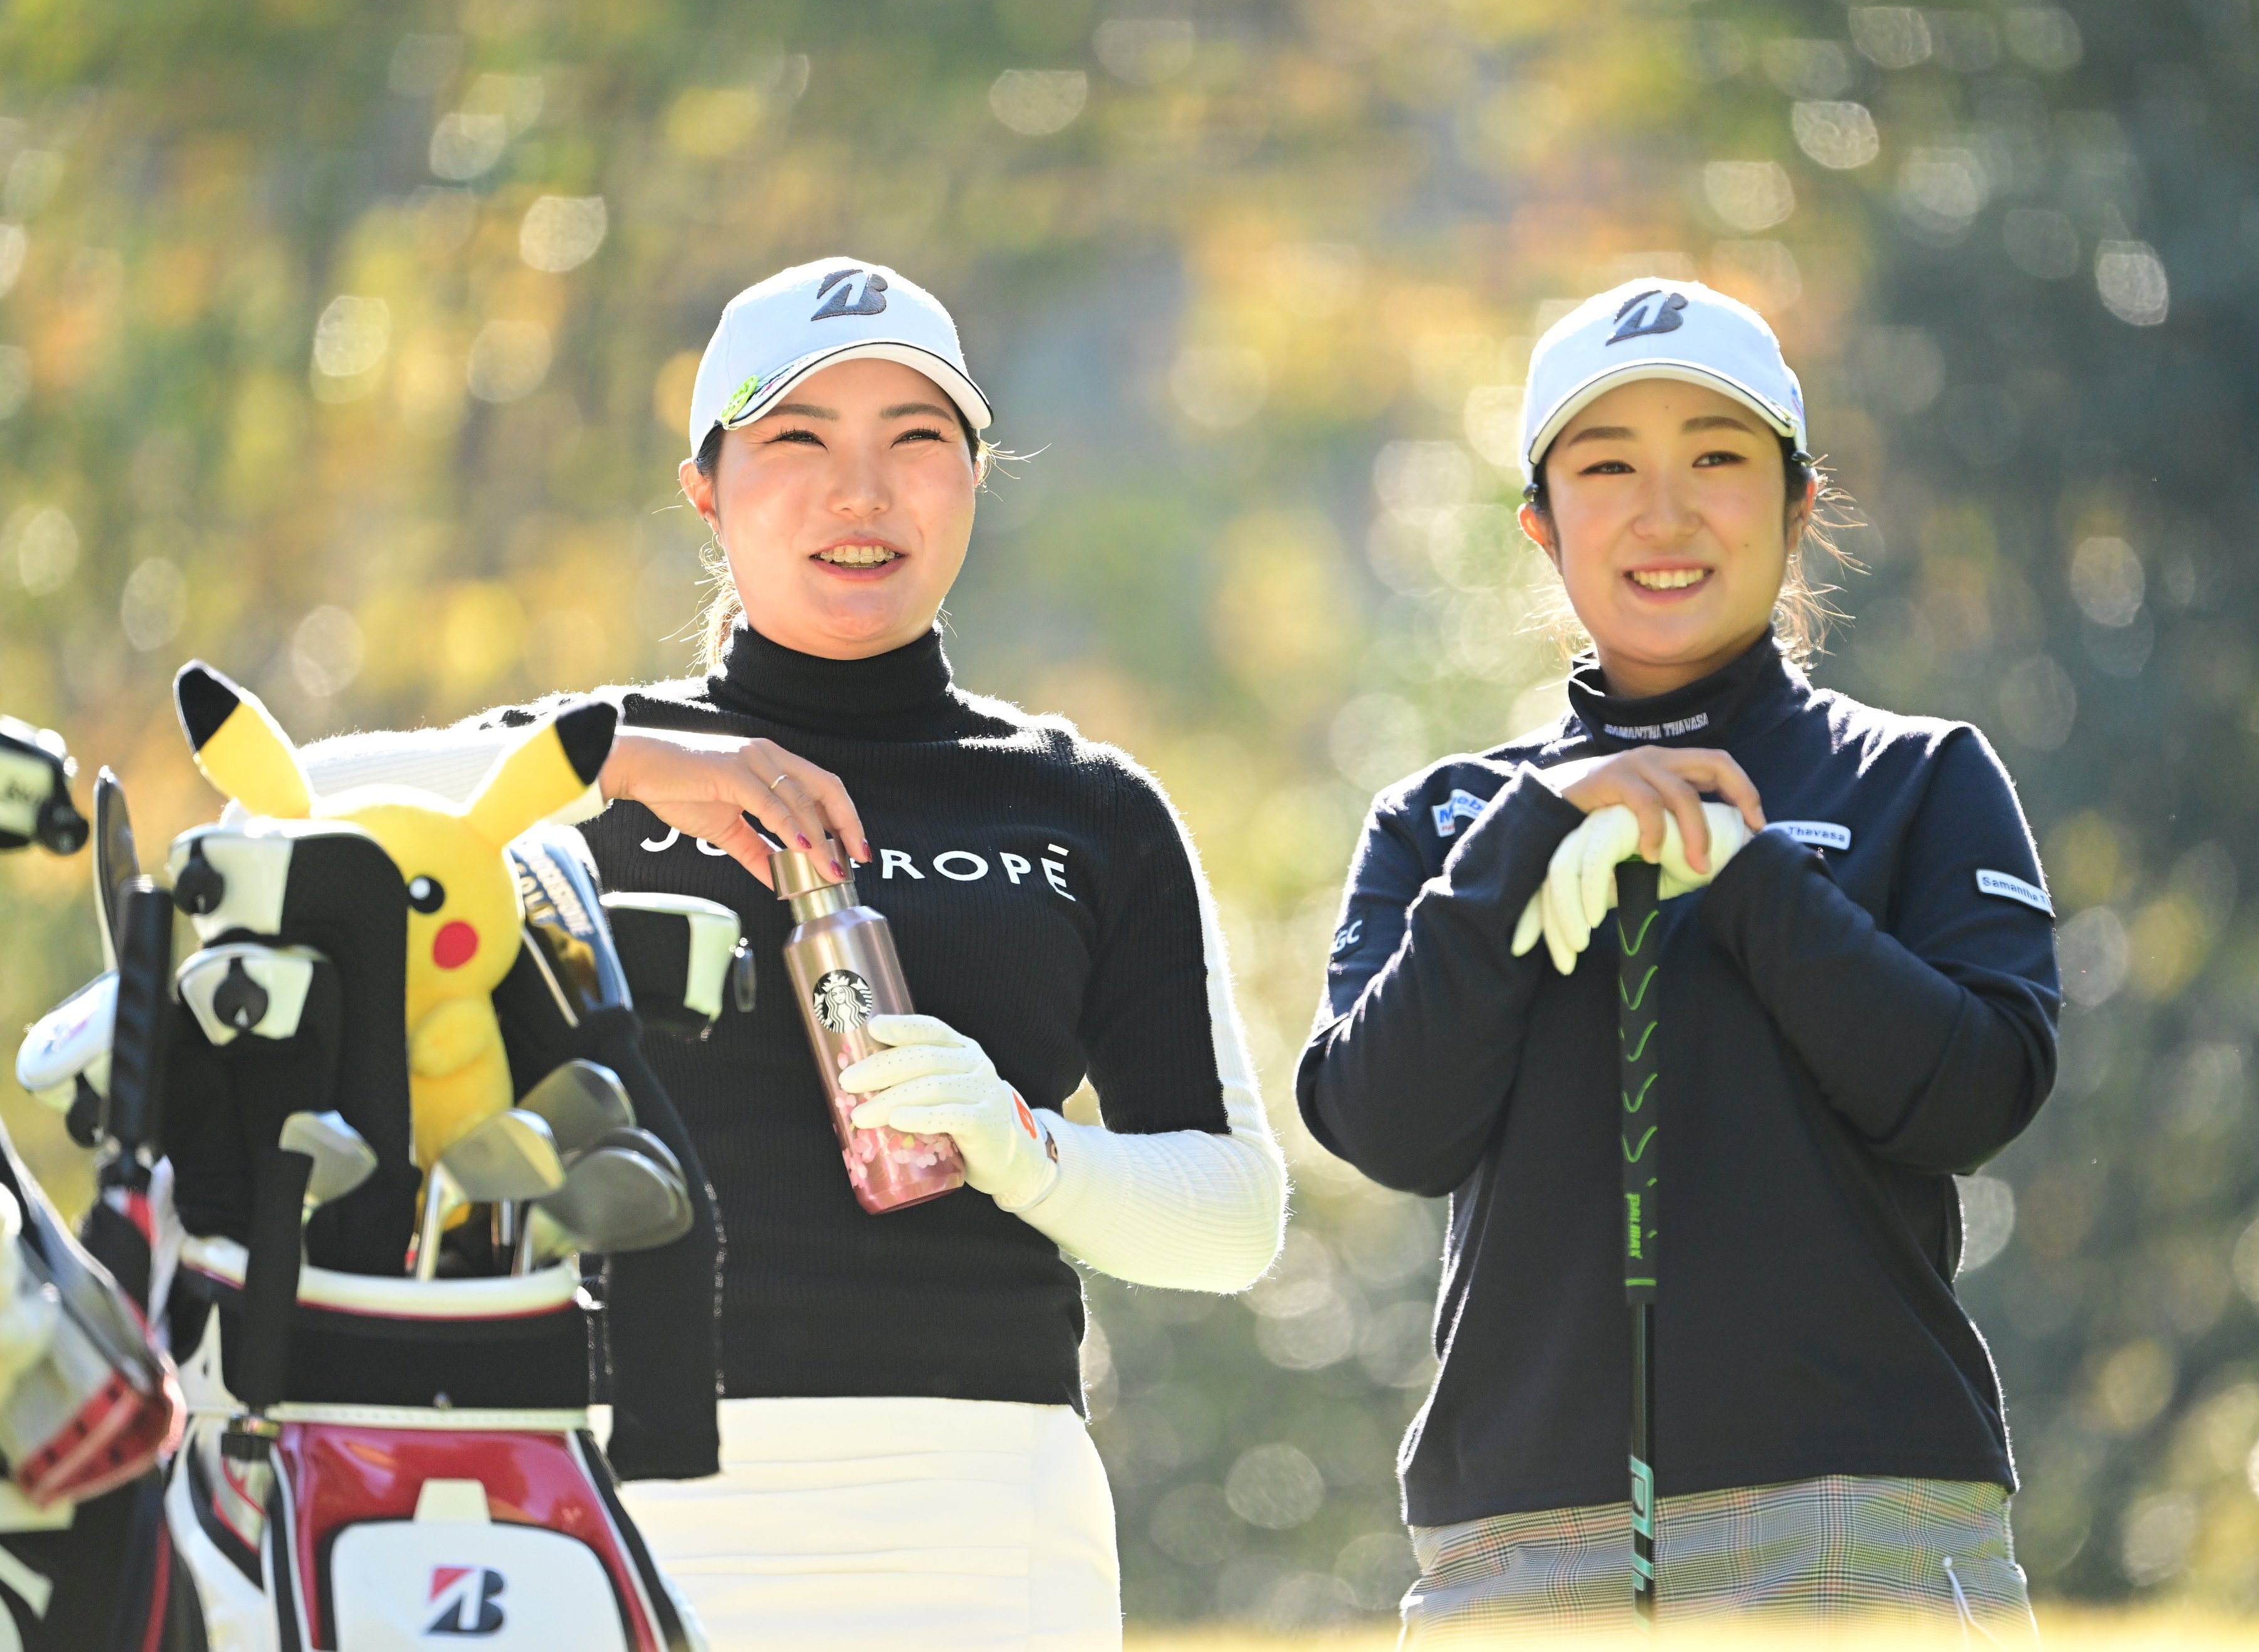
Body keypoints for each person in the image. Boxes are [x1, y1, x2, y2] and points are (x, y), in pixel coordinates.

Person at [295, 259, 1287, 1651]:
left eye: (914, 440)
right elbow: (273, 804)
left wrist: (1018, 1146)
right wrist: (626, 763)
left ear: (974, 476)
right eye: (798, 442)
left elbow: (1234, 1219)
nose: (860, 495)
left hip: (982, 1507)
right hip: (619, 1482)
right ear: (705, 487)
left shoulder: (1081, 806)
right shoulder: (570, 772)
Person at [1297, 280, 2058, 1641]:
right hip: (1520, 1543)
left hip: (1858, 1522)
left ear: (1796, 501)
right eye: (1607, 469)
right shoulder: (1443, 823)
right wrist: (1526, 836)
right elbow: (1383, 1123)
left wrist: (1748, 874)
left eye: (1716, 457)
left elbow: (1971, 1096)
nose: (1664, 512)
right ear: (1540, 525)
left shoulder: (1916, 778)